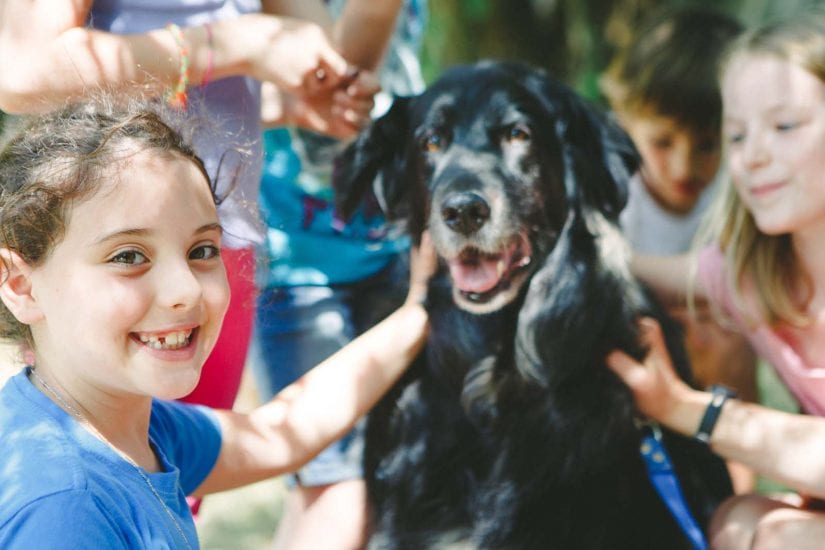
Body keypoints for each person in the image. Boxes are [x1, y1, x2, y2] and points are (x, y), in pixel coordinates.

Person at [0, 98, 434, 548]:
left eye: (202, 250)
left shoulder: (130, 426)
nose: (185, 290)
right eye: (128, 257)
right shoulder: (64, 512)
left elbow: (283, 433)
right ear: (21, 286)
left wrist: (419, 310)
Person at [0, 0, 379, 418]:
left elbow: (327, 55)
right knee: (98, 459)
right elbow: (22, 69)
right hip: (106, 245)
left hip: (219, 239)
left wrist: (291, 99)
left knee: (186, 465)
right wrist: (233, 46)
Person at [607, 11, 825, 549]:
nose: (752, 155)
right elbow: (628, 262)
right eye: (737, 134)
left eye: (784, 126)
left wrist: (680, 405)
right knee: (737, 524)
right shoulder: (753, 275)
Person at [253, 1, 426, 547]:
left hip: (390, 248)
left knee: (376, 484)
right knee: (336, 498)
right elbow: (336, 89)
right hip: (299, 269)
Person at [600, 6, 758, 493]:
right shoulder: (610, 176)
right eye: (663, 142)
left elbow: (737, 282)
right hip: (630, 339)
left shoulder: (742, 182)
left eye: (707, 144)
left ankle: (734, 488)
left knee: (727, 338)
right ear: (624, 119)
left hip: (709, 345)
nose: (684, 164)